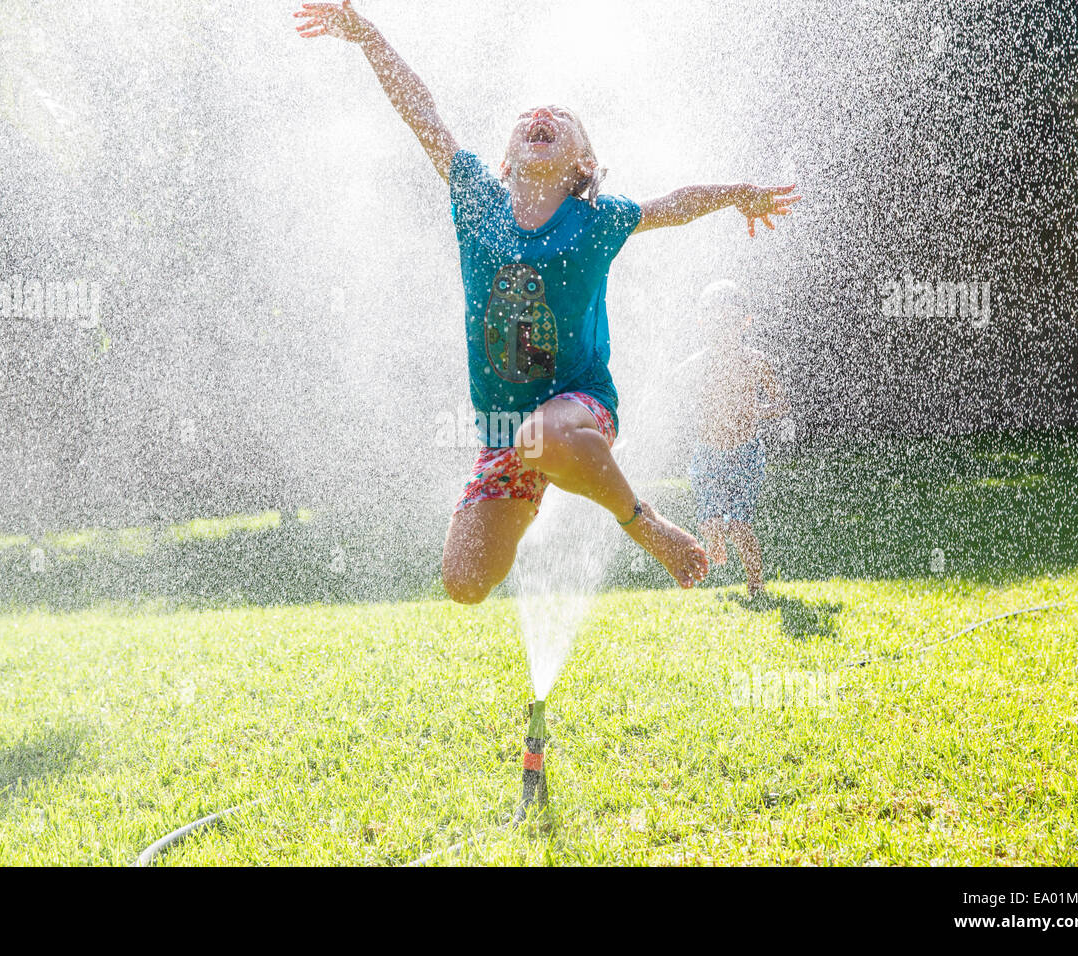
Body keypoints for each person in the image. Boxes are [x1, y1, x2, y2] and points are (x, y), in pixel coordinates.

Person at [294, 2, 800, 602]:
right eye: (528, 116)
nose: (541, 115)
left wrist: (738, 195)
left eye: (560, 117)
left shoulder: (595, 219)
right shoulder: (476, 200)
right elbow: (421, 111)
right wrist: (368, 36)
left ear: (583, 164)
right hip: (504, 430)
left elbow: (672, 204)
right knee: (464, 583)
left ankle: (643, 522)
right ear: (505, 161)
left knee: (545, 435)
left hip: (581, 407)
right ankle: (536, 481)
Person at [689, 281, 791, 597]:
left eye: (730, 321)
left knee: (739, 525)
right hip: (707, 454)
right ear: (703, 323)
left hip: (745, 454)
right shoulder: (698, 364)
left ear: (744, 322)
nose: (723, 329)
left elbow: (782, 404)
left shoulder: (756, 361)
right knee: (710, 521)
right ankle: (715, 541)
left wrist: (757, 410)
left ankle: (756, 585)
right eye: (716, 322)